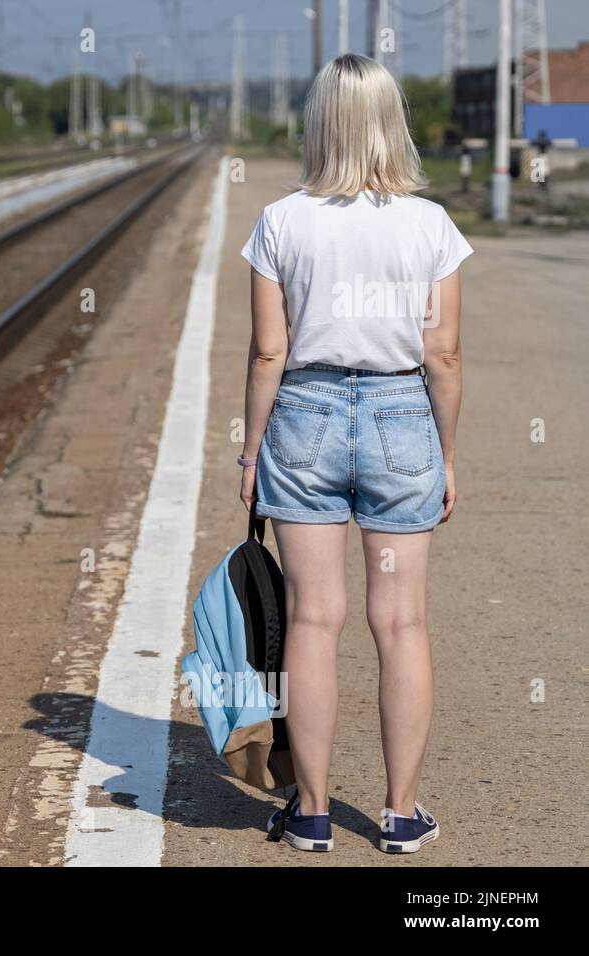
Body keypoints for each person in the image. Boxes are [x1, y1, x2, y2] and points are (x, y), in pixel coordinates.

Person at [237, 54, 472, 854]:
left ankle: (309, 811)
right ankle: (402, 816)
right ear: (391, 122)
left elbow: (270, 353)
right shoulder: (430, 225)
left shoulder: (282, 221)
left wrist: (249, 450)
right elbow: (444, 356)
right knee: (400, 621)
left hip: (302, 417)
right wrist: (443, 452)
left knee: (312, 618)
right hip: (402, 417)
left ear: (320, 123)